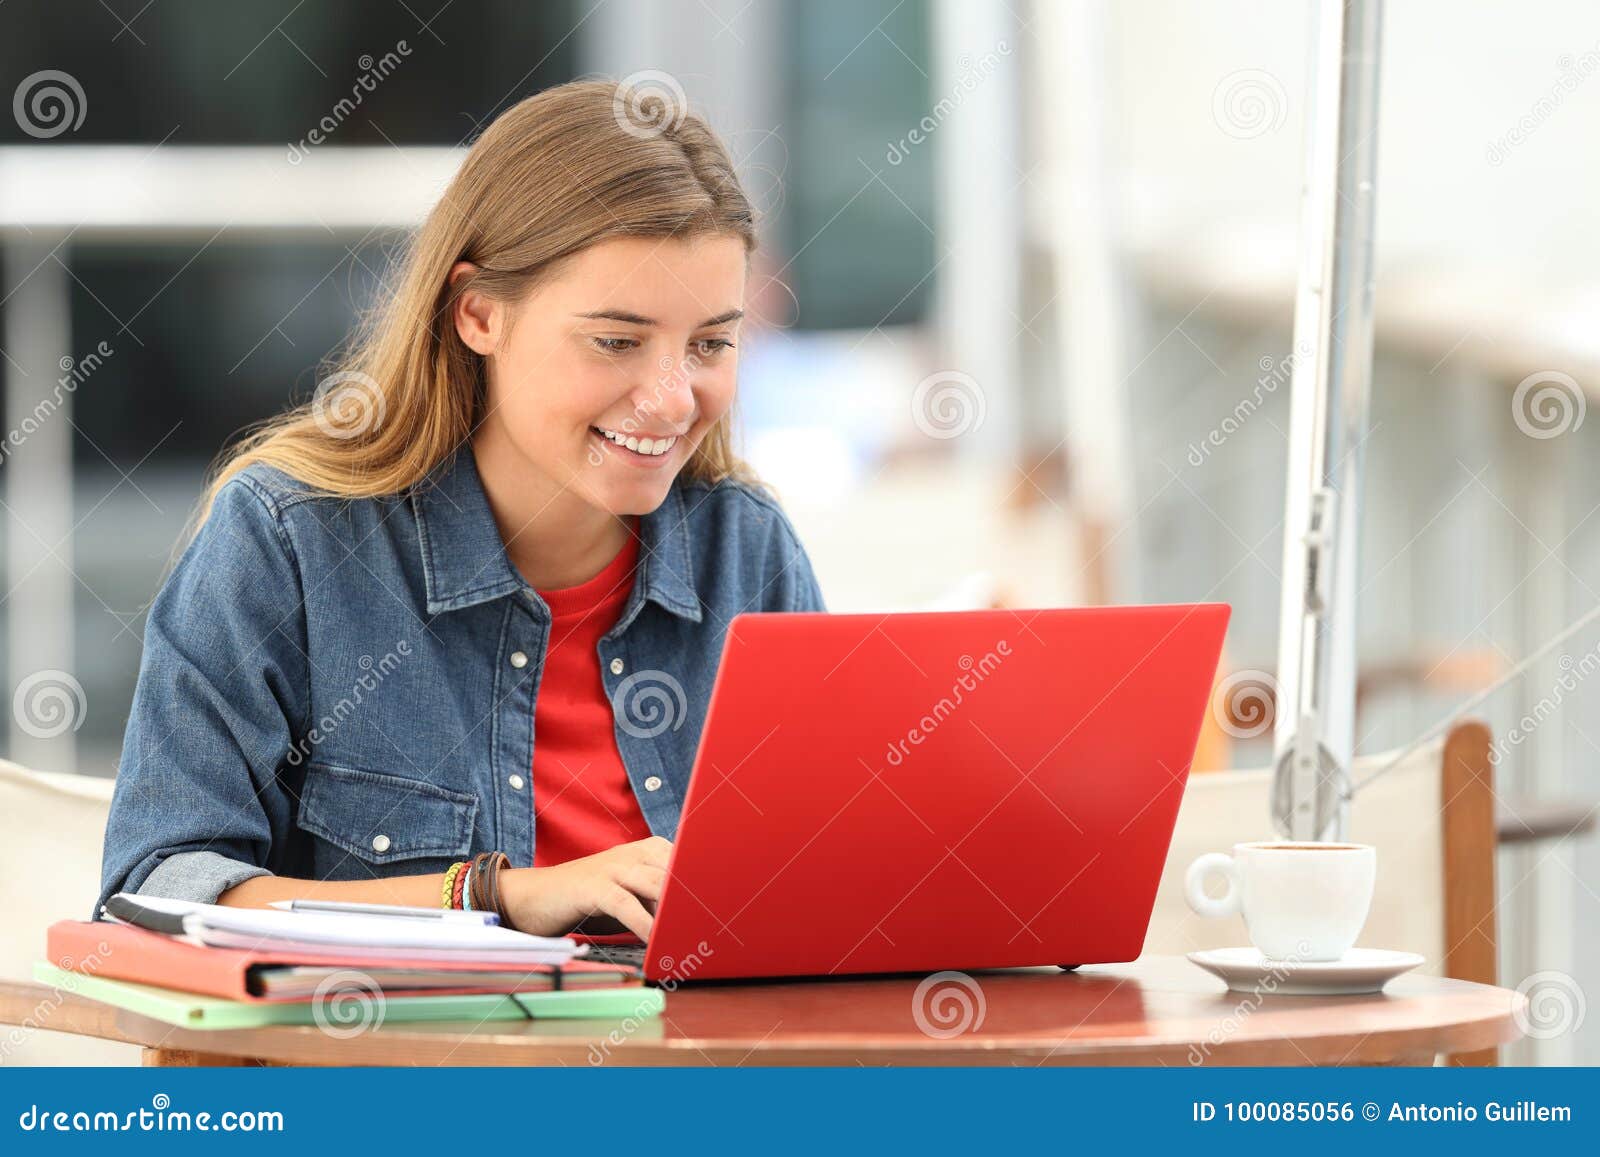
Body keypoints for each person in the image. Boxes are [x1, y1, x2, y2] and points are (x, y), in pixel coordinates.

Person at [97, 79, 825, 941]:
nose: (672, 401)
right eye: (617, 341)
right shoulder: (289, 540)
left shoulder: (747, 548)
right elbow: (156, 895)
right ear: (478, 313)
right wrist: (498, 894)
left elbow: (825, 887)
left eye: (709, 343)